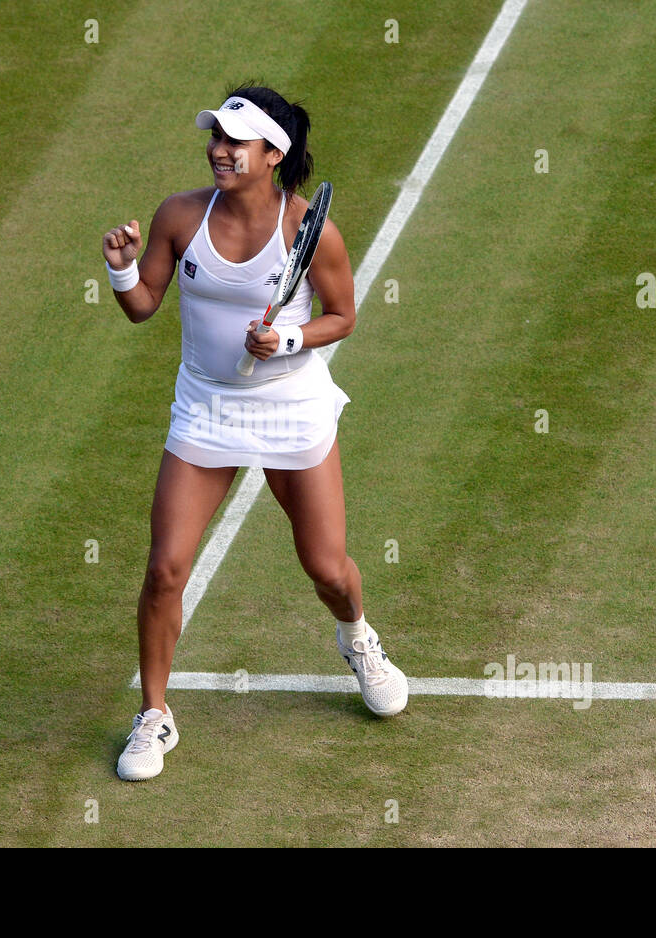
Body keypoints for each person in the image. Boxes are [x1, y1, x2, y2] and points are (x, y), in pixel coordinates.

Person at [101, 85, 408, 781]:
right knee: (164, 568)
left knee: (327, 568)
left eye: (237, 142)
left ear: (274, 154)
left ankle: (359, 638)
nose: (220, 150)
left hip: (290, 406)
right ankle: (155, 715)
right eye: (217, 138)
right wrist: (122, 267)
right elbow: (143, 306)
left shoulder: (310, 232)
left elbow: (344, 316)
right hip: (206, 408)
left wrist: (291, 336)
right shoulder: (179, 216)